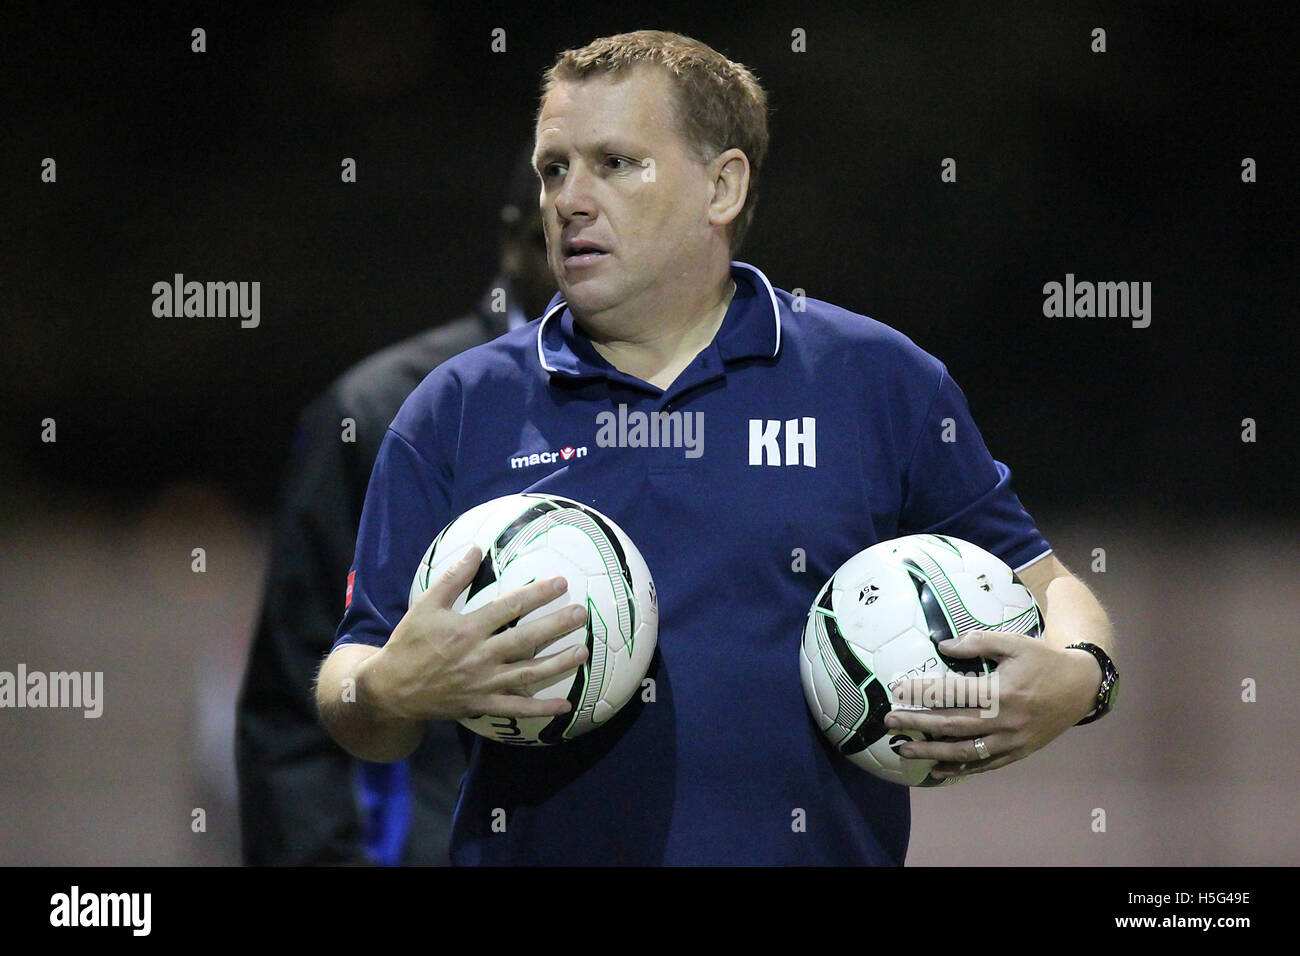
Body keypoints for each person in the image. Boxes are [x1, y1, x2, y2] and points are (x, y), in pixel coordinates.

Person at [316, 30, 1118, 865]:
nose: (569, 200)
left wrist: (1080, 676)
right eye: (554, 169)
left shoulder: (875, 379)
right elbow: (352, 682)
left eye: (615, 163)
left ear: (723, 186)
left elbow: (1050, 587)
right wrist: (387, 689)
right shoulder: (458, 407)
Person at [235, 152, 554, 865]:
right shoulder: (381, 414)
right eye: (556, 234)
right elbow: (292, 709)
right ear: (512, 244)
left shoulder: (673, 412)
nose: (580, 258)